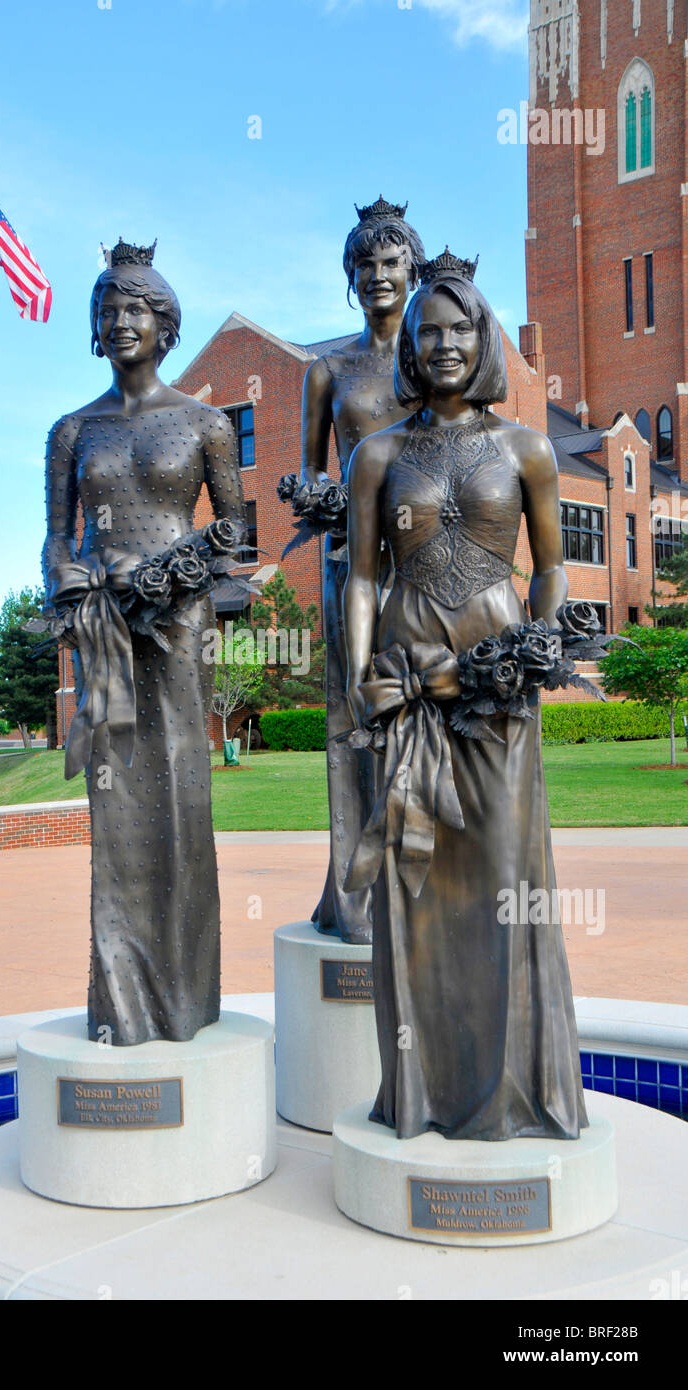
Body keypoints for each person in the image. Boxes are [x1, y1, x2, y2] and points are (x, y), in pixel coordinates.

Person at [343, 249, 589, 1140]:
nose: (443, 344)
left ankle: (511, 1095)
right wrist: (361, 674)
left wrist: (532, 646)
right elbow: (361, 578)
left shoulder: (525, 447)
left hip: (493, 686)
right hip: (407, 679)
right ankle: (426, 1093)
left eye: (458, 330)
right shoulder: (376, 454)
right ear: (407, 345)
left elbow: (555, 567)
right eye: (426, 331)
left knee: (500, 873)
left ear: (481, 340)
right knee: (416, 886)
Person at [42, 239, 246, 1046]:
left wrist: (169, 574)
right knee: (115, 804)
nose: (120, 321)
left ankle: (184, 997)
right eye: (107, 310)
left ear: (164, 325)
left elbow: (231, 531)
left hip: (177, 622)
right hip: (103, 629)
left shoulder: (204, 423)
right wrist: (69, 579)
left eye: (135, 309)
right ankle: (120, 1001)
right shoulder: (71, 429)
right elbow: (55, 539)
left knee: (178, 795)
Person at [301, 197, 426, 943]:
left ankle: (418, 883)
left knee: (417, 713)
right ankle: (354, 897)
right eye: (363, 265)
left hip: (420, 560)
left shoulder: (437, 360)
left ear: (409, 269)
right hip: (349, 561)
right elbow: (310, 479)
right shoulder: (328, 370)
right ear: (349, 276)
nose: (376, 275)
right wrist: (321, 501)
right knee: (353, 716)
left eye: (388, 263)